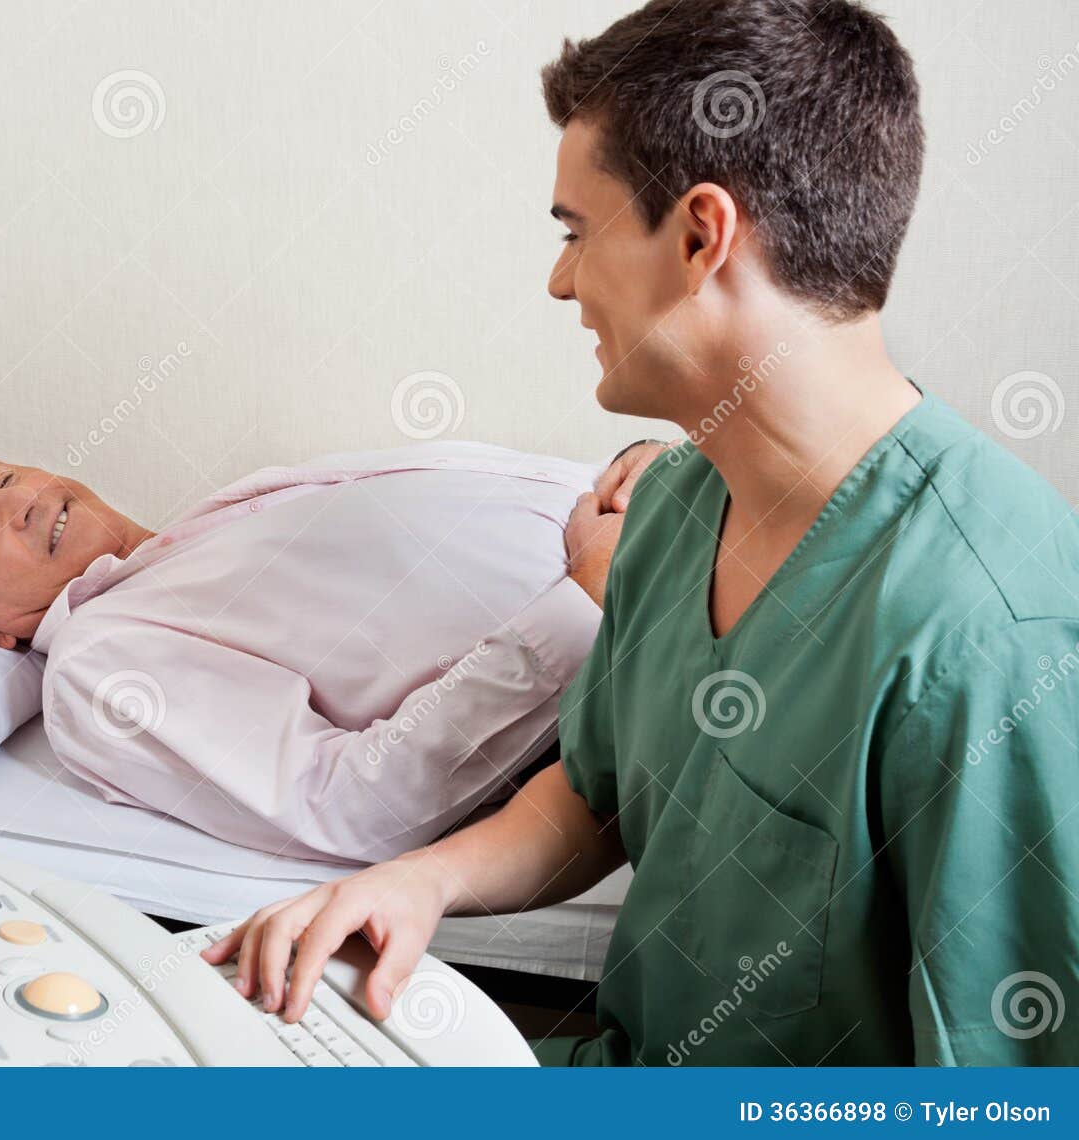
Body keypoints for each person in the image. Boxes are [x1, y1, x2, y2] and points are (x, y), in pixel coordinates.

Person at [205, 0, 1079, 1064]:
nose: (559, 279)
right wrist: (422, 878)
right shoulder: (670, 506)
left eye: (576, 231)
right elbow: (595, 794)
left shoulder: (988, 630)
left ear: (702, 235)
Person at [0, 439, 663, 862]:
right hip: (658, 636)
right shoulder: (96, 663)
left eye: (2, 474)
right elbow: (351, 803)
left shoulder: (196, 533)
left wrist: (638, 465)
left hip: (688, 526)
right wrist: (588, 596)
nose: (18, 501)